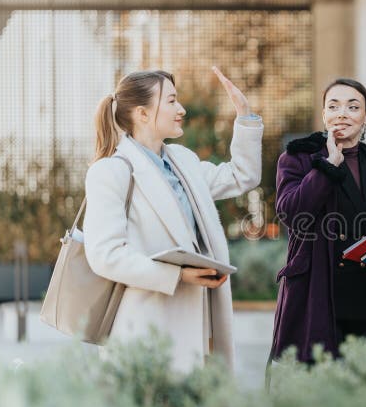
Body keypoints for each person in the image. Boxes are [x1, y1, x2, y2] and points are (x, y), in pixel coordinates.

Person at [84, 67, 262, 373]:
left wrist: (245, 116)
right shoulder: (109, 171)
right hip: (146, 328)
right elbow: (105, 255)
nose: (181, 109)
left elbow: (241, 176)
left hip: (199, 326)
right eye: (171, 101)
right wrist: (177, 275)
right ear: (142, 113)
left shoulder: (183, 161)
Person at [271, 78, 366, 363]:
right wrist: (328, 167)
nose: (342, 113)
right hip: (317, 296)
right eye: (333, 106)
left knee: (364, 395)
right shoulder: (299, 158)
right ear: (324, 115)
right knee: (315, 393)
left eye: (353, 107)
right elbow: (291, 213)